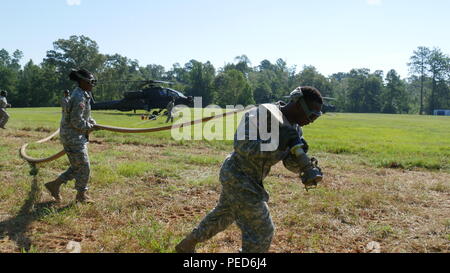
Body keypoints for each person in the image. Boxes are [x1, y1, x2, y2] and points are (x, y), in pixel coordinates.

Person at [175, 86, 324, 253]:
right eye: (312, 114)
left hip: (253, 179)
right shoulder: (262, 115)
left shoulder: (295, 129)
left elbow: (288, 164)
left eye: (317, 116)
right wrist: (276, 144)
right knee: (262, 230)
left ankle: (187, 245)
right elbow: (242, 145)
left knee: (224, 214)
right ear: (298, 104)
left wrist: (301, 160)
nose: (313, 119)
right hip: (237, 175)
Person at [45, 68, 98, 203]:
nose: (93, 84)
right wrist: (89, 127)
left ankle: (54, 185)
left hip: (76, 136)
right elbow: (76, 121)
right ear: (82, 81)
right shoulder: (79, 97)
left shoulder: (83, 94)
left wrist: (91, 122)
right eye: (91, 81)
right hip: (72, 137)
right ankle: (81, 195)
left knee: (77, 166)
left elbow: (85, 116)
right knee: (84, 166)